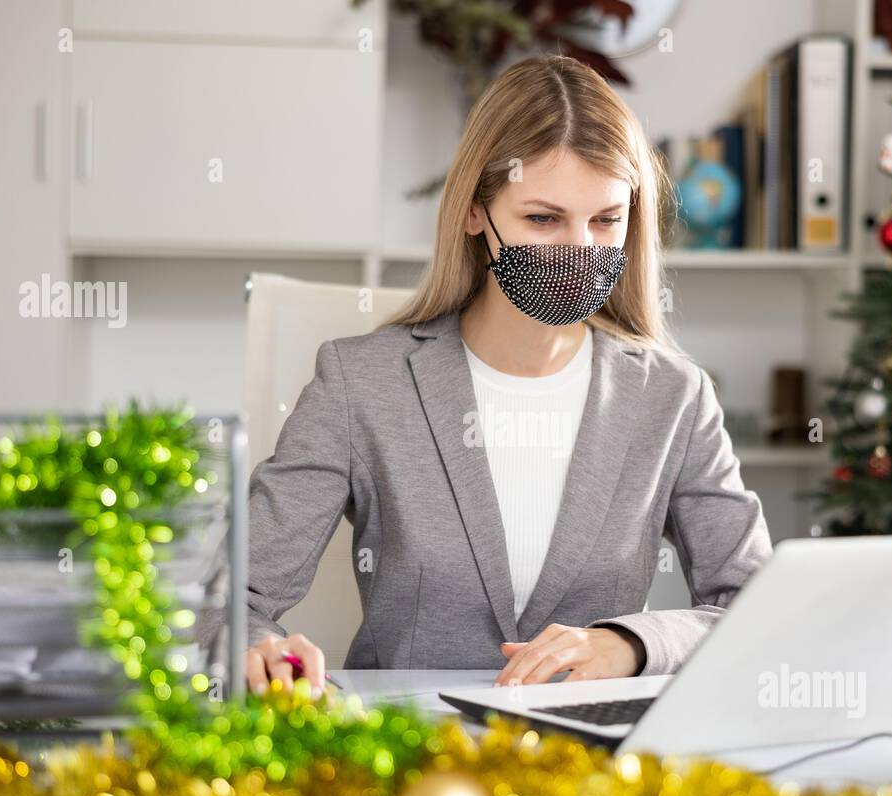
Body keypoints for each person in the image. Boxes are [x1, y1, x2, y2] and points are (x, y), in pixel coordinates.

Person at [244, 54, 772, 697]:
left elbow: (756, 611)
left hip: (587, 762)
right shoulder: (360, 383)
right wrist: (266, 654)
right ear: (475, 213)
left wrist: (629, 644)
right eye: (543, 219)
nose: (579, 252)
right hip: (407, 758)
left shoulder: (674, 398)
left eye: (606, 220)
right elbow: (231, 600)